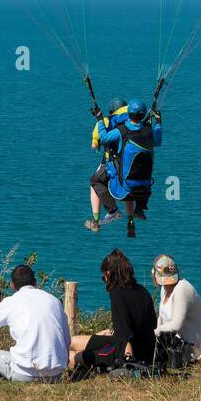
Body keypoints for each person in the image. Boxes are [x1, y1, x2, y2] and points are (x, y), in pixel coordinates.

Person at [0, 263, 70, 382]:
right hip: (57, 375)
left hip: (24, 374)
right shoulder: (54, 301)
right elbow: (67, 340)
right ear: (35, 283)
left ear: (12, 285)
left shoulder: (12, 302)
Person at [68, 249, 157, 371]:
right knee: (73, 341)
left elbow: (125, 334)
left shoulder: (117, 294)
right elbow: (153, 323)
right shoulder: (143, 291)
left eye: (104, 276)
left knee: (72, 357)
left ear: (109, 273)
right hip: (147, 349)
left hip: (128, 350)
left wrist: (127, 360)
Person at [98, 97, 162, 238]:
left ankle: (113, 211)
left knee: (96, 180)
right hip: (145, 190)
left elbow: (103, 138)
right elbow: (158, 141)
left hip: (123, 188)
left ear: (128, 113)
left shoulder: (122, 131)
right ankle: (138, 210)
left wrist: (100, 120)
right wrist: (158, 122)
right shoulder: (149, 132)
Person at [152, 254, 201, 363]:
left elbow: (176, 325)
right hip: (174, 348)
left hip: (193, 353)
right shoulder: (164, 288)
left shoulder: (182, 289)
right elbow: (161, 319)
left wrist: (154, 332)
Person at [85, 96, 128, 232]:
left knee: (95, 181)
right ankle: (130, 217)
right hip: (133, 166)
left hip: (114, 164)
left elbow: (93, 145)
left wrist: (100, 123)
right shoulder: (135, 121)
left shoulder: (105, 122)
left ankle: (99, 219)